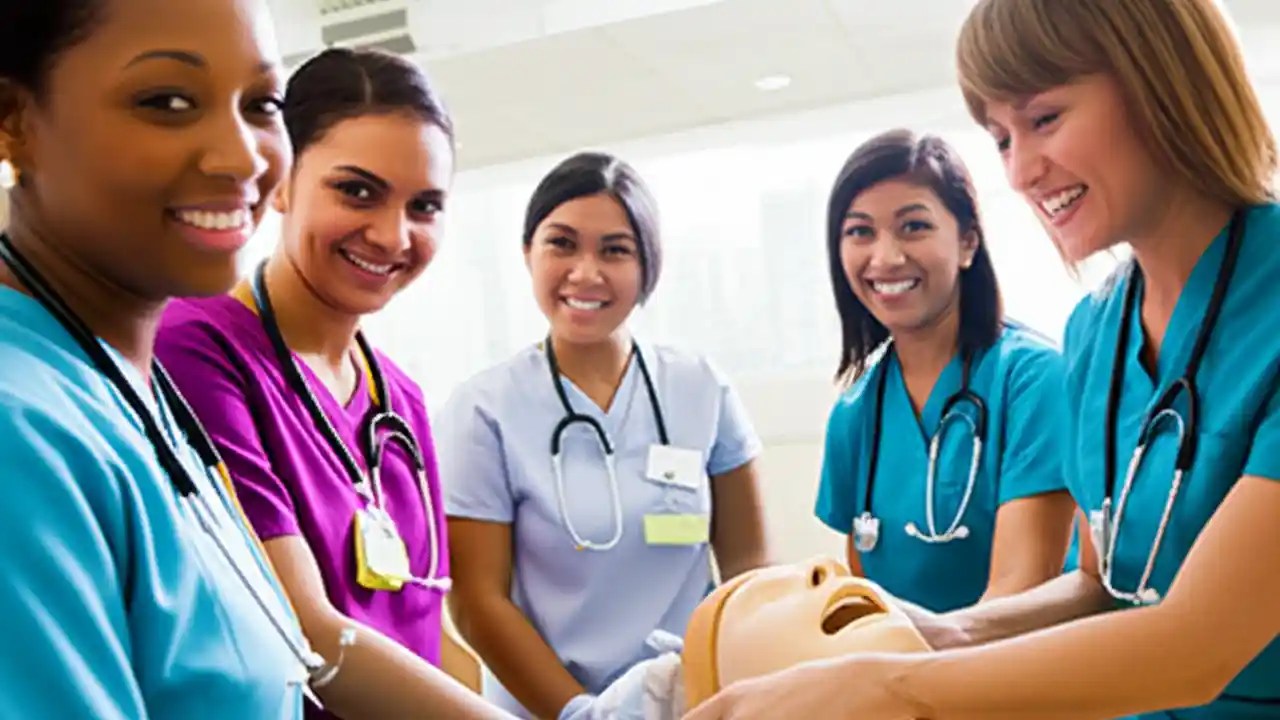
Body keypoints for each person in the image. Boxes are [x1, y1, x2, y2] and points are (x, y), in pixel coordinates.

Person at [683, 1, 1280, 718]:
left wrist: (886, 686)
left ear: (1163, 80)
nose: (1022, 171)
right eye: (1000, 139)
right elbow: (1099, 586)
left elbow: (1197, 648)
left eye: (1045, 119)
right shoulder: (1097, 333)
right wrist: (941, 635)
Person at [156, 47, 501, 719]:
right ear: (280, 181)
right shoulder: (195, 349)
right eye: (358, 191)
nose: (392, 235)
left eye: (424, 206)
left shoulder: (399, 400)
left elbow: (432, 629)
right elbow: (308, 635)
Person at [0, 0, 316, 717]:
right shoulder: (19, 430)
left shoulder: (122, 379)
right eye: (168, 101)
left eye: (262, 104)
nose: (242, 156)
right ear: (14, 120)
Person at [440, 151, 772, 719]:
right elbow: (478, 603)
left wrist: (742, 683)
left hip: (692, 699)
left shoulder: (700, 387)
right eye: (562, 244)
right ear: (527, 252)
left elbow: (750, 566)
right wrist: (583, 713)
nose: (585, 273)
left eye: (615, 250)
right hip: (547, 709)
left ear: (648, 267)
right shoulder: (484, 409)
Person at [814, 129, 1077, 614]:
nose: (886, 257)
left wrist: (911, 655)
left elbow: (1021, 591)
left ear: (968, 242)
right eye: (860, 232)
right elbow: (865, 600)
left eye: (913, 226)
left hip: (1023, 658)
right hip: (906, 660)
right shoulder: (855, 414)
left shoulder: (1034, 381)